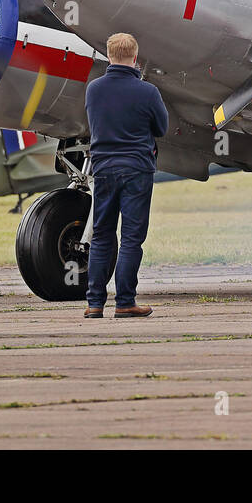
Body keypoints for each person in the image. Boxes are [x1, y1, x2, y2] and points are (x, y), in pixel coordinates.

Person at [83, 32, 168, 318]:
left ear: (109, 56)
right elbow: (162, 128)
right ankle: (125, 302)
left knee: (102, 235)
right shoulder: (148, 92)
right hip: (136, 170)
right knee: (131, 237)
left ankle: (94, 303)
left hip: (104, 169)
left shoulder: (93, 89)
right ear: (135, 58)